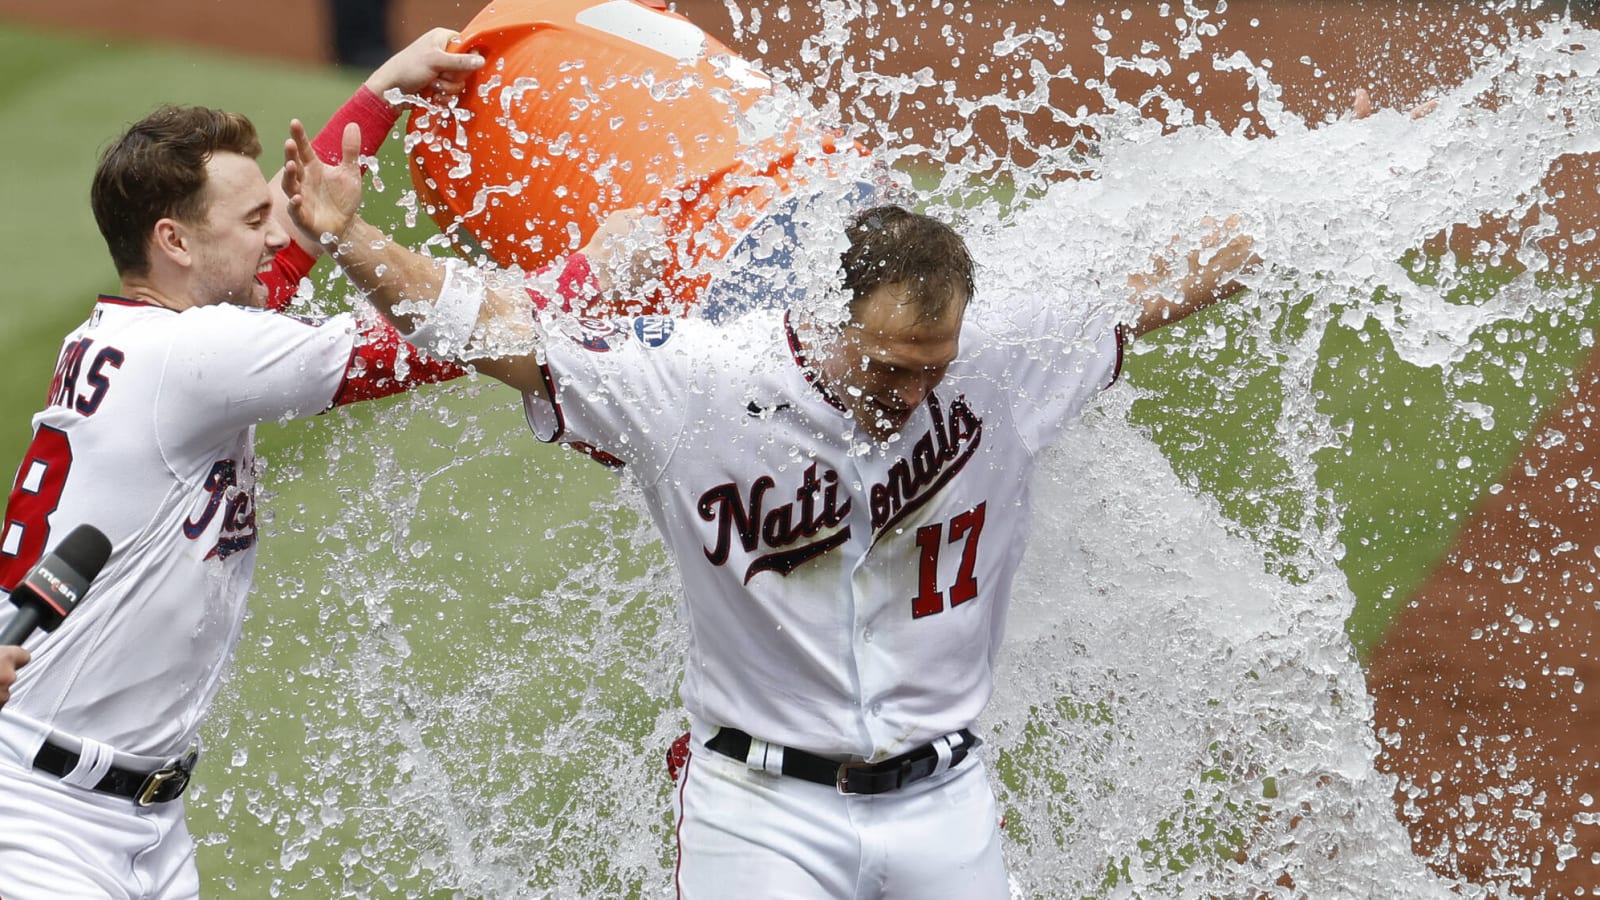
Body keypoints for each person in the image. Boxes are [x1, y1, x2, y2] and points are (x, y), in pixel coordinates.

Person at [282, 117, 1254, 896]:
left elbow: (1158, 281)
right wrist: (349, 237)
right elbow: (503, 332)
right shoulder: (698, 385)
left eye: (933, 371)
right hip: (760, 812)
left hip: (945, 800)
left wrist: (1307, 198)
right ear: (823, 315)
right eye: (888, 369)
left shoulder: (1004, 360)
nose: (914, 396)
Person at [0, 32, 493, 899]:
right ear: (175, 243)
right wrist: (580, 289)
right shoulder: (191, 358)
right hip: (43, 824)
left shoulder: (141, 334)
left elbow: (290, 242)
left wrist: (381, 91)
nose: (280, 233)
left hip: (138, 819)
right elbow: (430, 341)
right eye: (252, 221)